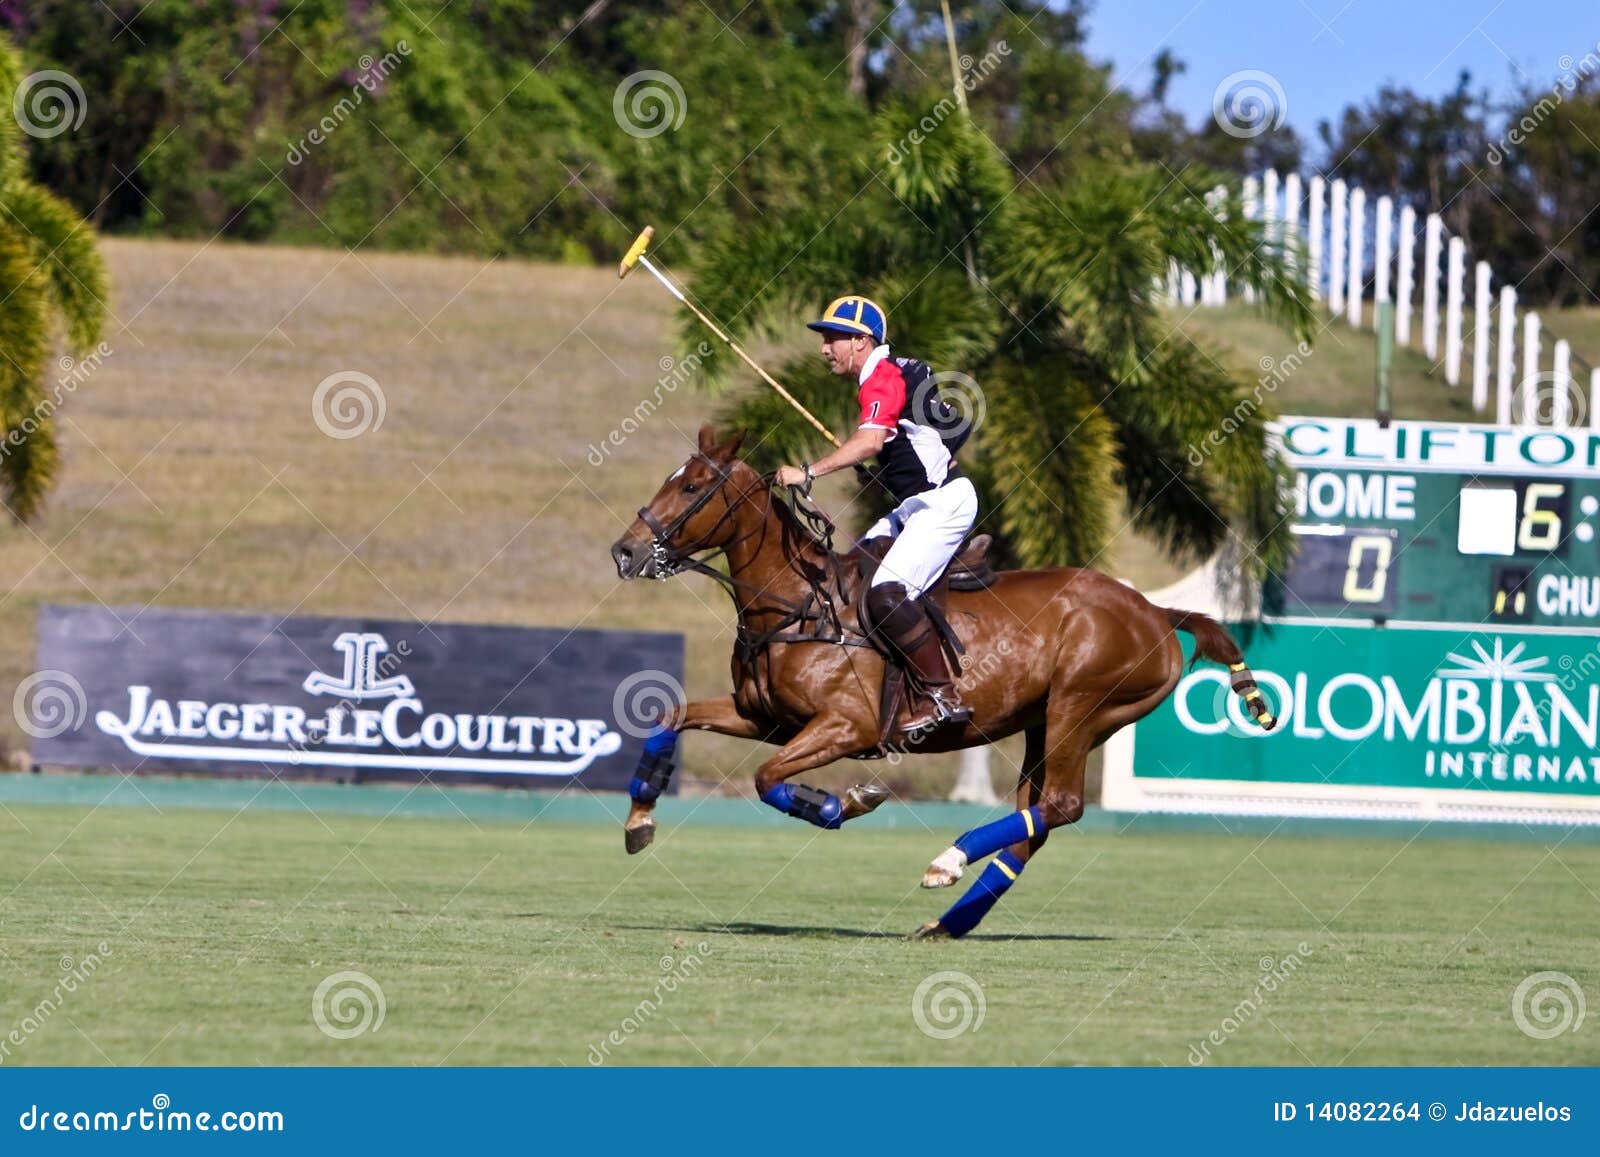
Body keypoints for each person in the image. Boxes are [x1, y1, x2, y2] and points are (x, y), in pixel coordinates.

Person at [774, 294, 977, 731]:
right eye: (825, 339)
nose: (825, 348)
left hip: (944, 504)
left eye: (833, 338)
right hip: (915, 504)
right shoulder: (882, 376)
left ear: (862, 341)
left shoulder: (881, 377)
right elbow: (907, 444)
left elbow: (868, 442)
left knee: (886, 593)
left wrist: (809, 472)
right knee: (853, 571)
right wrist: (890, 472)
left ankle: (941, 696)